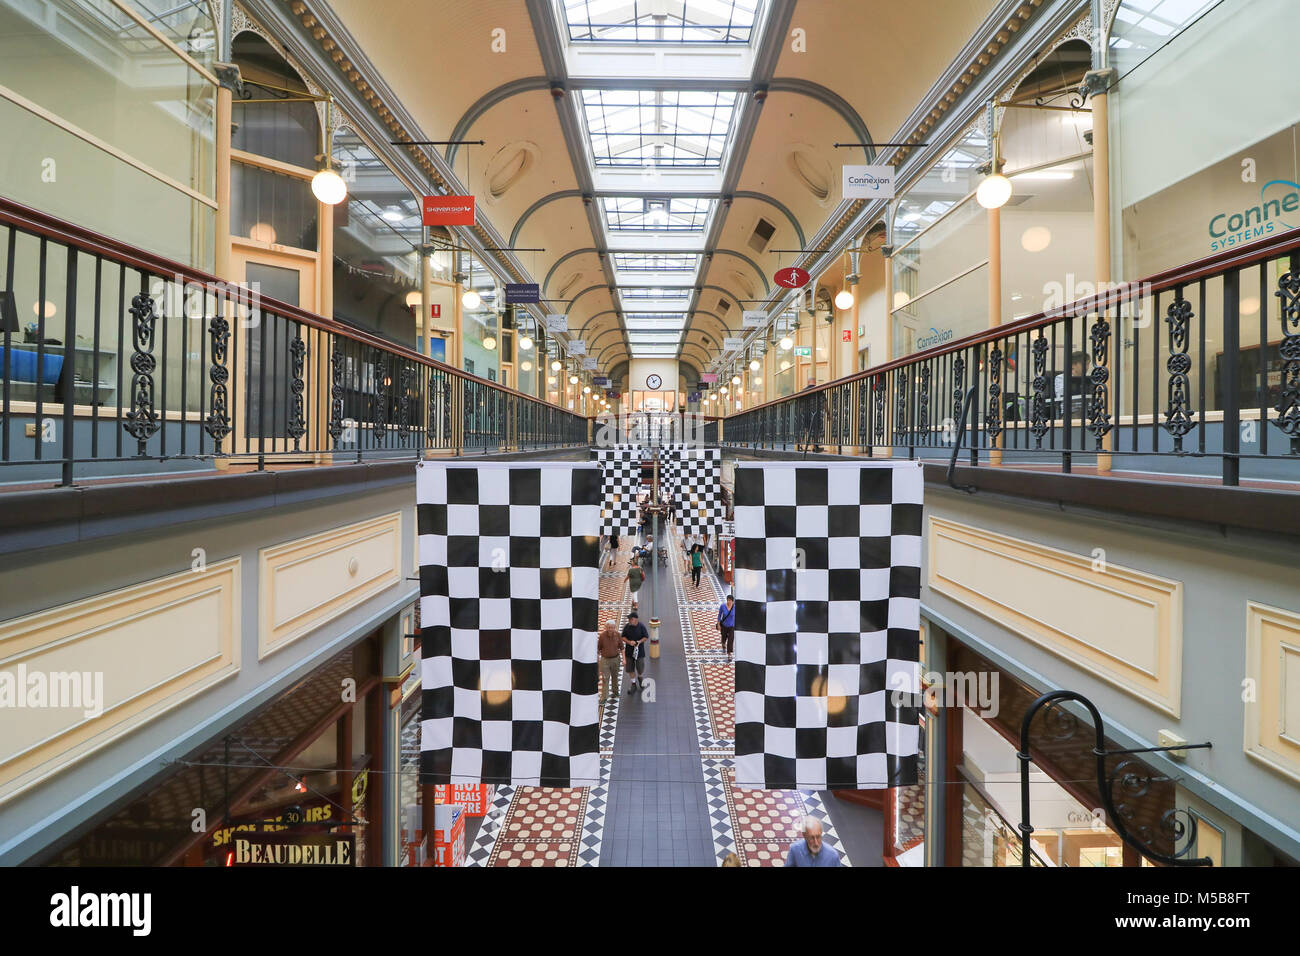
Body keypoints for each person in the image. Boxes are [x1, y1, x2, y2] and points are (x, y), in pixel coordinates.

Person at [622, 611, 649, 694]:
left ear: (635, 619)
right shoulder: (627, 626)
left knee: (640, 668)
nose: (629, 620)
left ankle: (640, 678)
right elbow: (623, 637)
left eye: (631, 619)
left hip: (639, 652)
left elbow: (646, 637)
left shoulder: (641, 627)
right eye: (629, 619)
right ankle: (633, 684)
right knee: (630, 669)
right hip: (629, 652)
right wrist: (629, 642)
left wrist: (639, 642)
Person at [597, 619, 622, 708]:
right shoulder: (602, 636)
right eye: (608, 627)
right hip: (605, 660)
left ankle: (615, 692)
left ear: (615, 628)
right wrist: (598, 659)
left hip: (615, 659)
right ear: (606, 627)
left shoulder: (618, 635)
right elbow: (598, 648)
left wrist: (624, 659)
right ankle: (604, 697)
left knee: (615, 676)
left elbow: (622, 647)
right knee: (605, 678)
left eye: (612, 627)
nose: (610, 629)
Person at [716, 593, 736, 660]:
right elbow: (719, 615)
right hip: (724, 625)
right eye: (728, 600)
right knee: (724, 636)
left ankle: (729, 653)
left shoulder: (735, 607)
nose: (729, 602)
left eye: (730, 600)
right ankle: (723, 642)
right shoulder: (723, 606)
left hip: (732, 626)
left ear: (733, 601)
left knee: (731, 639)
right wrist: (718, 624)